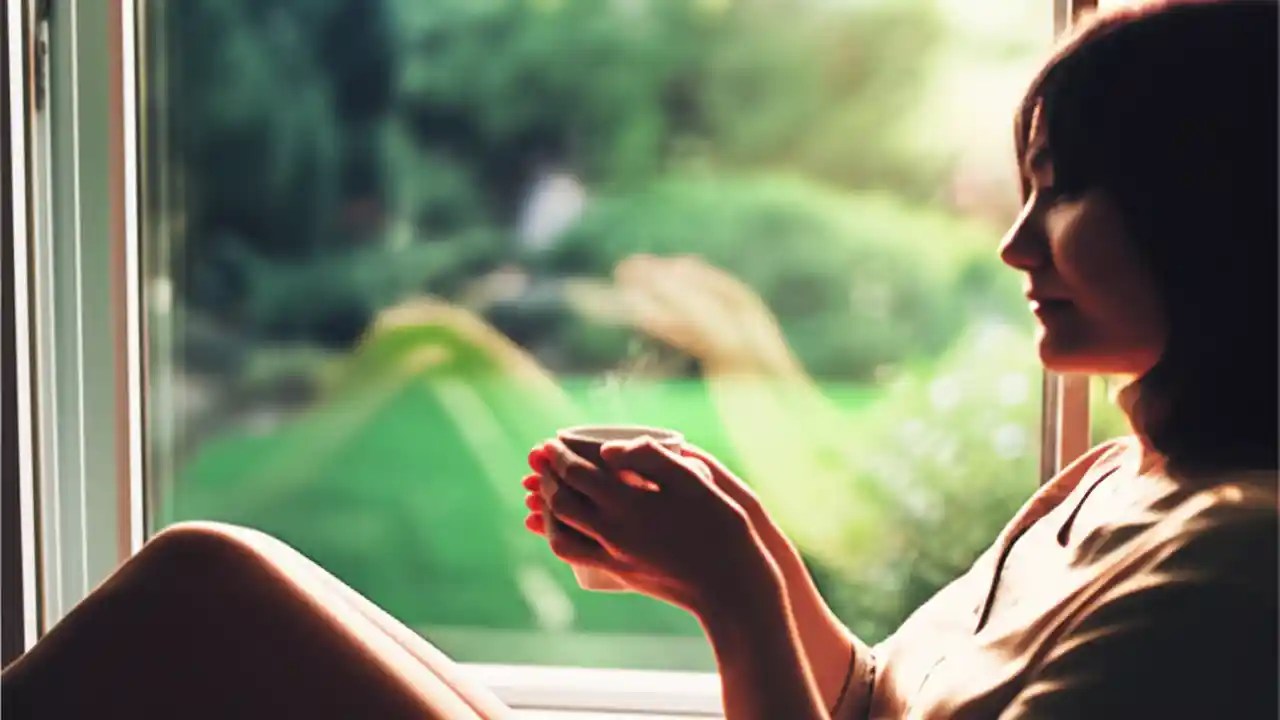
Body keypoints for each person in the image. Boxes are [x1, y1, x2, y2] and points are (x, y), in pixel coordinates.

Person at [3, 2, 1276, 718]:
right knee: (211, 590)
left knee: (202, 596)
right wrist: (738, 550)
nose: (1012, 244)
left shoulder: (1236, 562)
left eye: (1057, 194)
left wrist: (731, 598)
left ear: (1201, 208)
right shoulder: (1113, 481)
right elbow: (873, 699)